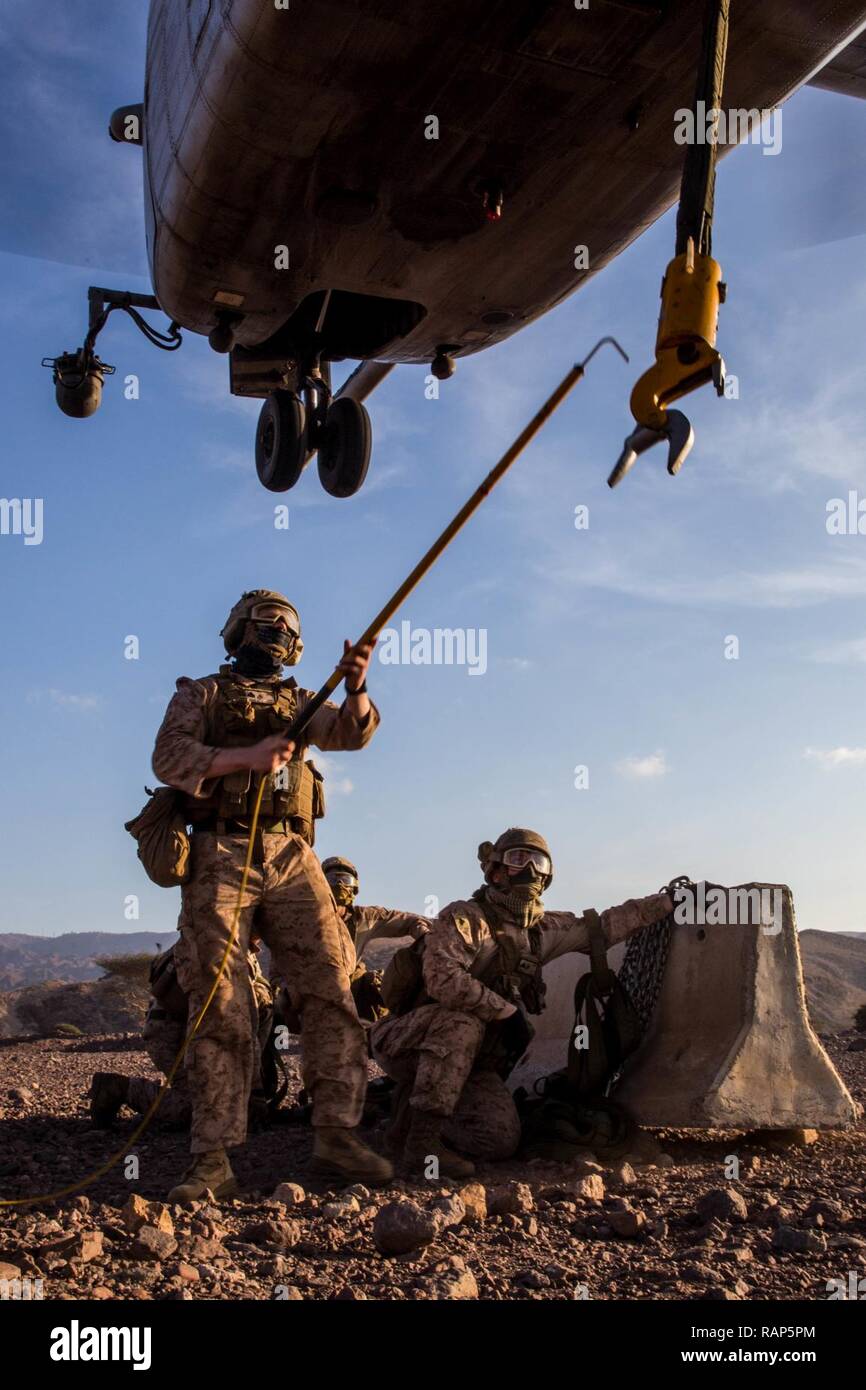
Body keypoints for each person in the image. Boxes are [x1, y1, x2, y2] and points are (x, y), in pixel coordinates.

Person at [150, 588, 392, 1201]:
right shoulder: (200, 693)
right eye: (265, 622)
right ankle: (215, 1158)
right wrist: (244, 757)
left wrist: (357, 685)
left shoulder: (301, 701)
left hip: (291, 853)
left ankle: (337, 1135)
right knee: (221, 1001)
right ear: (237, 631)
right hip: (219, 851)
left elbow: (352, 736)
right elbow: (169, 757)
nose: (277, 632)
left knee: (333, 988)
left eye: (286, 625)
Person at [370, 828, 676, 1178]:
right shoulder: (466, 917)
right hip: (406, 1040)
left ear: (548, 876)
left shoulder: (541, 931)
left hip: (468, 1063)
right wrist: (504, 1012)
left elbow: (604, 928)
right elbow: (443, 980)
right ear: (496, 870)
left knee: (498, 1139)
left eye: (538, 862)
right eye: (518, 859)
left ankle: (408, 1118)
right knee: (461, 1023)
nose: (529, 869)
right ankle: (421, 1150)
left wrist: (667, 902)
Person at [88, 936, 275, 1130]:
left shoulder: (232, 945)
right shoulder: (228, 952)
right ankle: (119, 1089)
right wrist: (255, 1096)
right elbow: (241, 1030)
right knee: (201, 1112)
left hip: (186, 1031)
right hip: (174, 1037)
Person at [321, 855, 429, 1023]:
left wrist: (426, 938)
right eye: (333, 879)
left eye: (346, 879)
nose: (341, 884)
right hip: (314, 987)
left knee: (371, 982)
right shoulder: (306, 918)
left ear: (354, 887)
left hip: (350, 988)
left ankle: (378, 1031)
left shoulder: (364, 917)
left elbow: (411, 920)